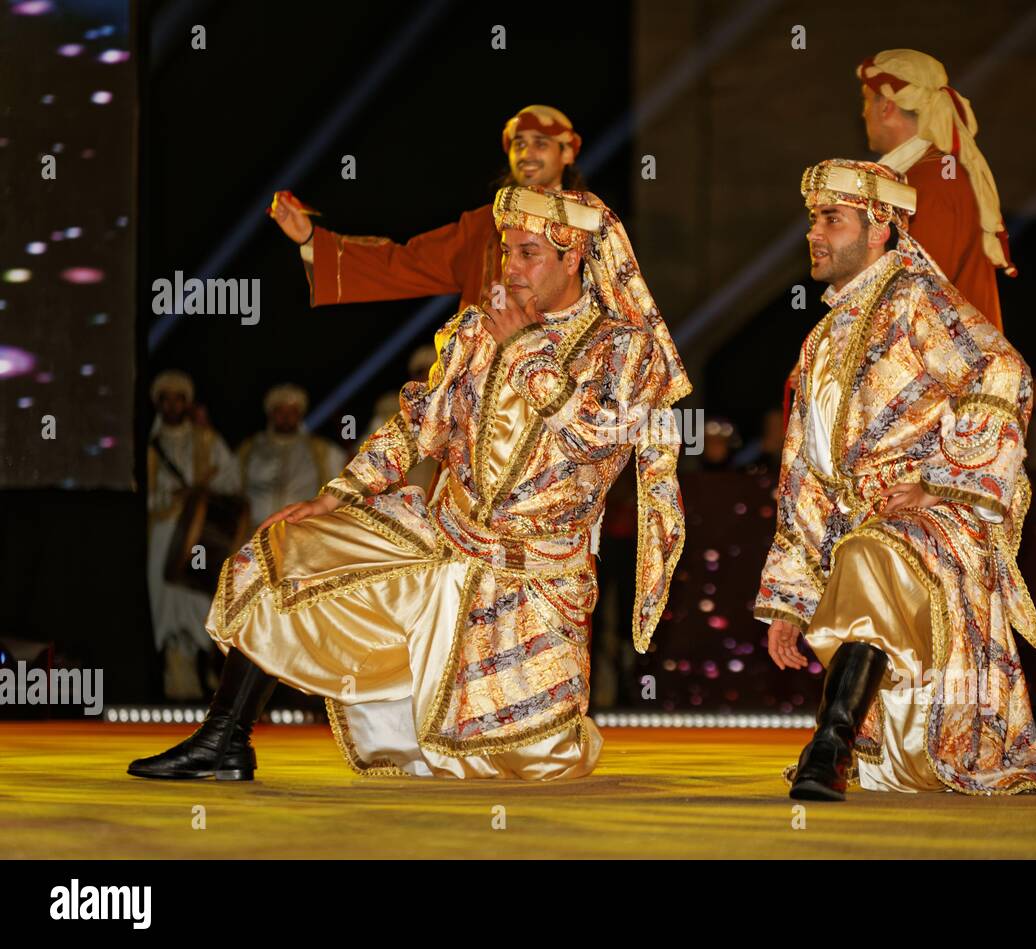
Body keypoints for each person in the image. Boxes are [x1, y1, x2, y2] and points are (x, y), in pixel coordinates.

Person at [128, 185, 691, 782]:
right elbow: (421, 423)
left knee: (532, 764)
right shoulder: (480, 327)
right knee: (286, 557)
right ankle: (224, 740)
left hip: (532, 583)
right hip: (442, 537)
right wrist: (338, 493)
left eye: (528, 254)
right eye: (507, 251)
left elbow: (595, 440)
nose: (510, 268)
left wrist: (525, 350)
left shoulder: (627, 349)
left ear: (572, 255)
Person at [756, 159, 1036, 800]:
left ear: (880, 226)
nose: (814, 233)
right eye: (812, 219)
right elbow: (804, 472)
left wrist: (945, 480)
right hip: (868, 531)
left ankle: (828, 746)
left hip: (935, 525)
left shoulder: (915, 299)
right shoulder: (822, 338)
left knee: (866, 554)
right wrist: (791, 599)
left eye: (832, 218)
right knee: (931, 752)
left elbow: (1002, 371)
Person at [270, 105, 583, 314]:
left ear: (567, 151)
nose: (527, 153)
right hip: (486, 396)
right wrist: (310, 238)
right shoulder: (483, 227)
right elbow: (403, 264)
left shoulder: (591, 224)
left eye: (540, 143)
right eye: (519, 144)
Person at [857, 49, 1015, 331]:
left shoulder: (934, 179)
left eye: (866, 101)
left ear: (886, 107)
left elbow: (917, 296)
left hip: (949, 371)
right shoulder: (929, 174)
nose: (863, 113)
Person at [146, 370, 241, 700]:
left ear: (187, 403)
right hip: (163, 534)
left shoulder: (207, 441)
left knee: (199, 600)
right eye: (166, 398)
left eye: (179, 398)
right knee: (168, 600)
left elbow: (231, 482)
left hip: (200, 536)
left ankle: (203, 673)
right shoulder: (149, 448)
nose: (172, 404)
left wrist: (202, 494)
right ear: (159, 404)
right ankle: (176, 678)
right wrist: (167, 498)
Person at [238, 384, 347, 528]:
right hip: (251, 532)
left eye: (292, 412)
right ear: (271, 414)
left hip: (301, 532)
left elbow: (349, 479)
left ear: (300, 415)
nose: (286, 417)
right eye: (280, 411)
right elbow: (226, 483)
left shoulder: (321, 449)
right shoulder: (250, 448)